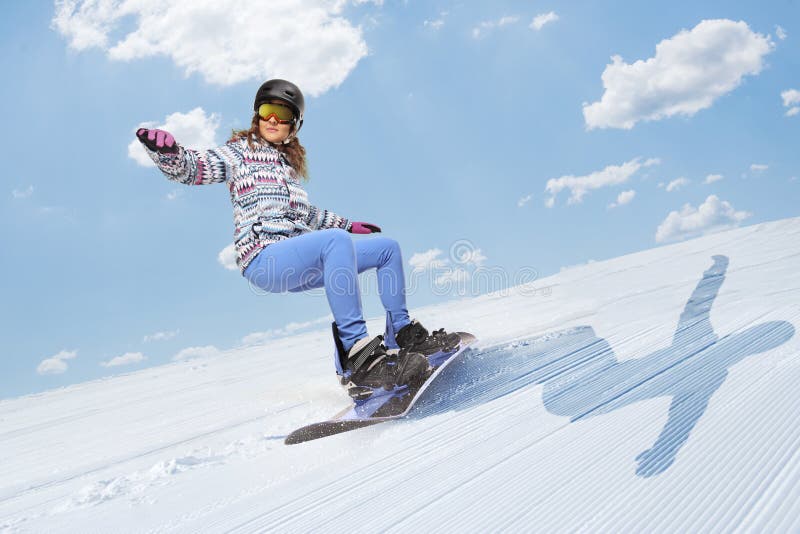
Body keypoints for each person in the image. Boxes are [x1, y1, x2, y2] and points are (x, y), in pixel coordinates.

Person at [136, 79, 459, 400]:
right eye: (266, 111)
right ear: (257, 117)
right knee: (334, 242)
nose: (273, 119)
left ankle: (402, 335)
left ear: (295, 124)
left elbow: (307, 215)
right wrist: (170, 154)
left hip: (301, 258)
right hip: (265, 259)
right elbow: (195, 168)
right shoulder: (238, 153)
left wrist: (348, 225)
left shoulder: (287, 167)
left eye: (281, 113)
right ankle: (359, 356)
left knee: (386, 249)